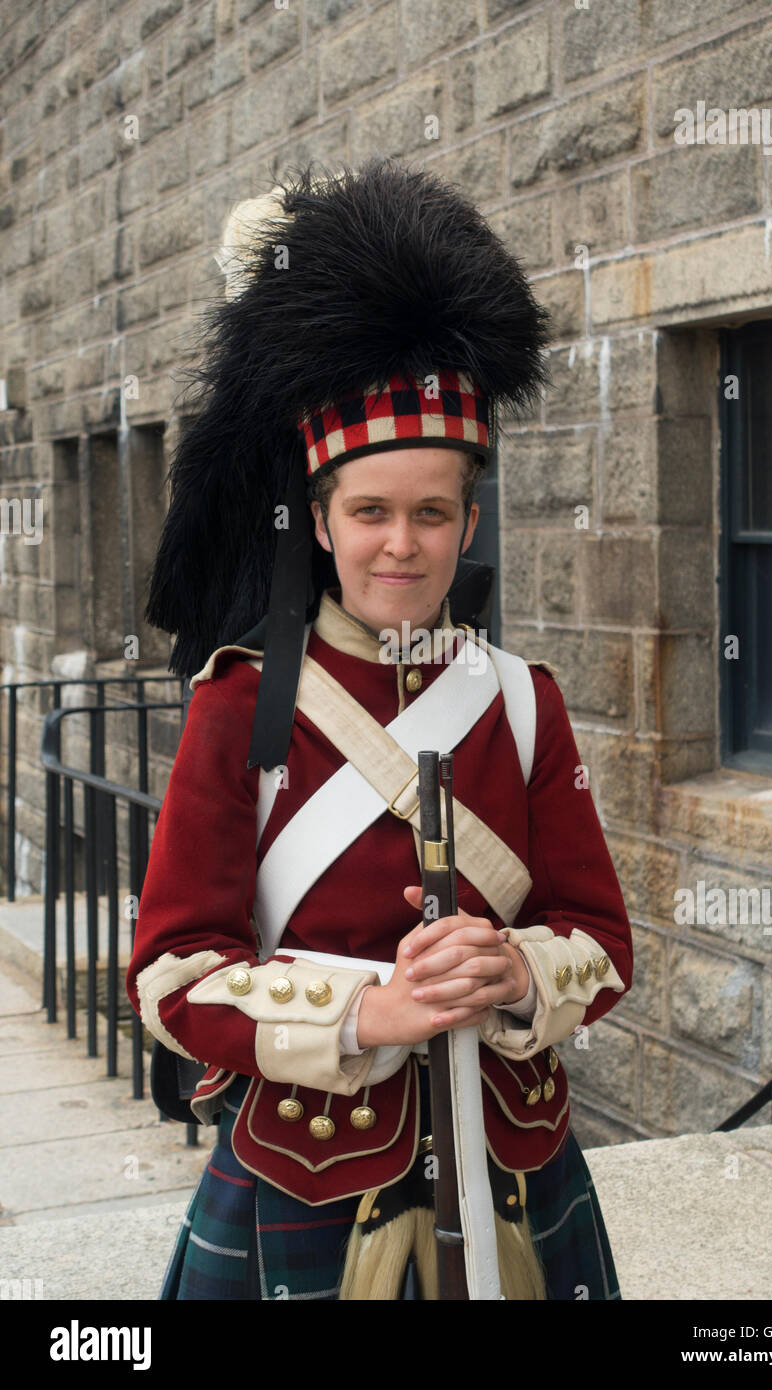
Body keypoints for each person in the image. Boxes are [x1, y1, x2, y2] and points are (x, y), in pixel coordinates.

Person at [126, 157, 633, 1300]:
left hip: (515, 1161)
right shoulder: (236, 703)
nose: (398, 543)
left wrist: (509, 970)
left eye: (430, 512)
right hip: (304, 1175)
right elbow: (169, 974)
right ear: (317, 520)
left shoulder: (519, 699)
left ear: (465, 522)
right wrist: (369, 1011)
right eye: (368, 511)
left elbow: (600, 939)